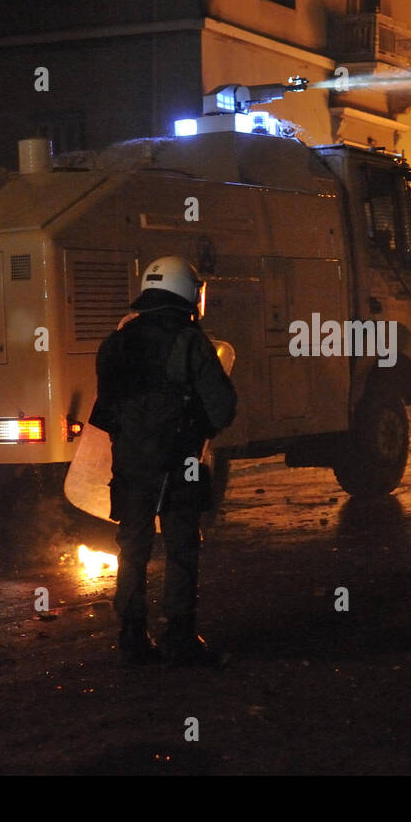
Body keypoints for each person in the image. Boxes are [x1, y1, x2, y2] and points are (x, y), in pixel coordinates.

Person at [90, 256, 237, 668]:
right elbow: (222, 408)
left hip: (130, 466)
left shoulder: (115, 341)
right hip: (178, 464)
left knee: (132, 548)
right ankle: (180, 637)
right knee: (181, 548)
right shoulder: (190, 341)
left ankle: (132, 636)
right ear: (188, 292)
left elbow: (107, 409)